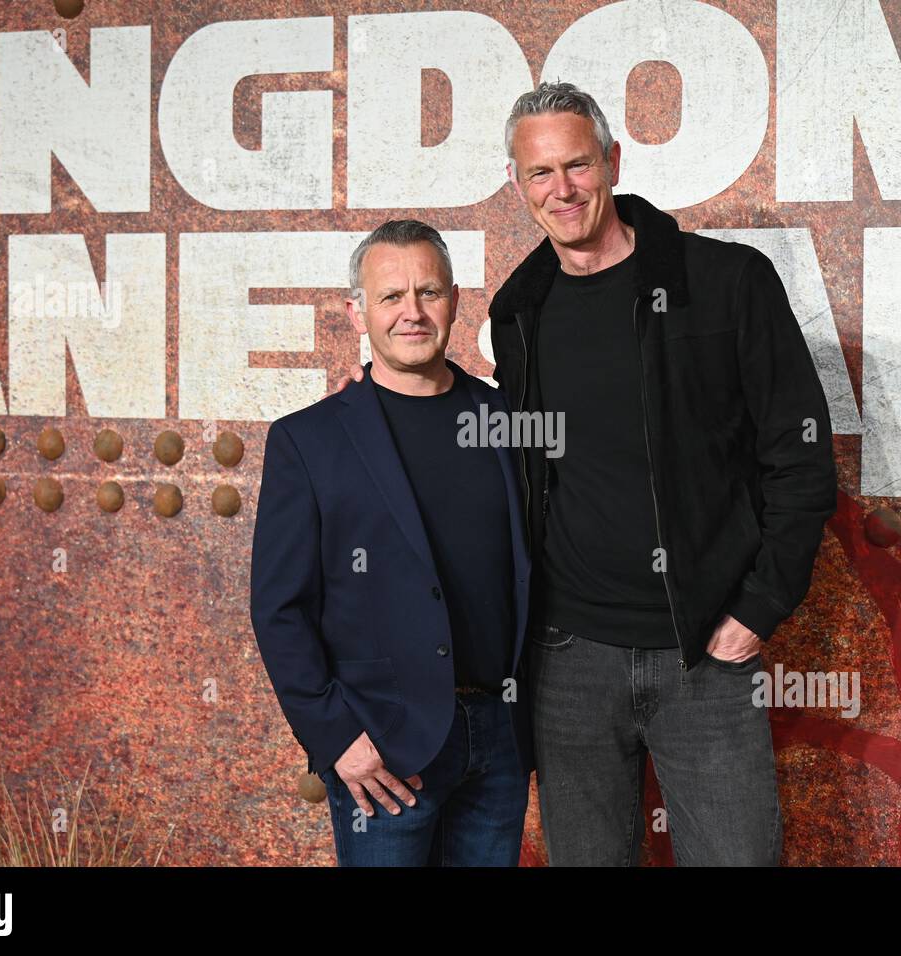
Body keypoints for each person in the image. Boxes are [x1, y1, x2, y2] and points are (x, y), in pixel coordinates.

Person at [338, 82, 837, 866]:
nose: (561, 190)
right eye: (540, 173)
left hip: (703, 652)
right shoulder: (520, 309)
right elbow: (515, 456)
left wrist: (758, 608)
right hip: (568, 661)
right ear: (517, 184)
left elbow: (801, 457)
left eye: (577, 165)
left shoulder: (726, 283)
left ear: (611, 160)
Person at [250, 219, 533, 866]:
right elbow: (278, 607)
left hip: (501, 740)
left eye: (429, 293)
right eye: (391, 297)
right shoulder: (308, 441)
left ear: (455, 302)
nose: (412, 312)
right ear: (357, 312)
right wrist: (337, 737)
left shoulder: (508, 422)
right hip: (382, 747)